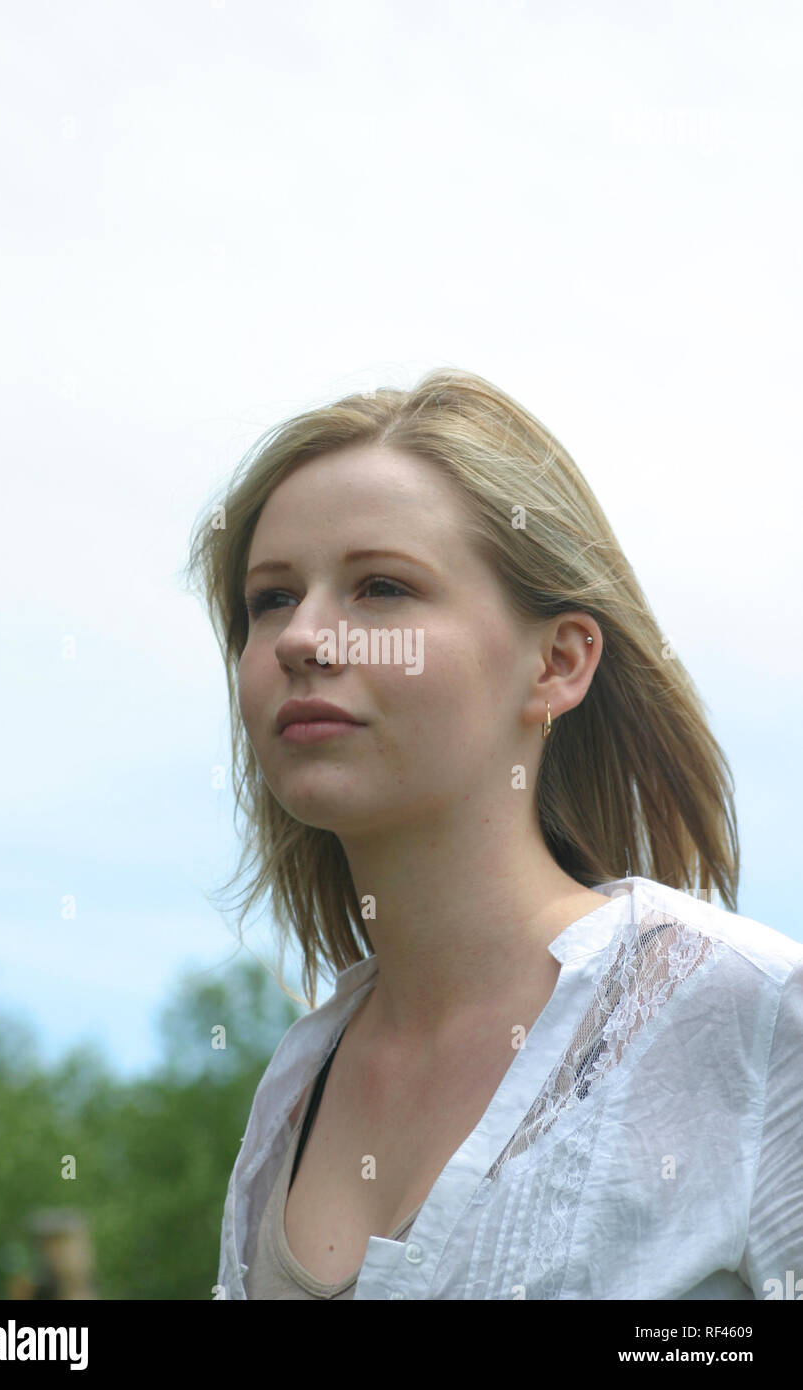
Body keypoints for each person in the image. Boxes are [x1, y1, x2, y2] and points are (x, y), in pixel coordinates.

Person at [186, 368, 803, 1300]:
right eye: (271, 598)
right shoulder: (294, 1091)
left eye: (382, 588)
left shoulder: (746, 1018)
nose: (302, 638)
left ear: (557, 663)